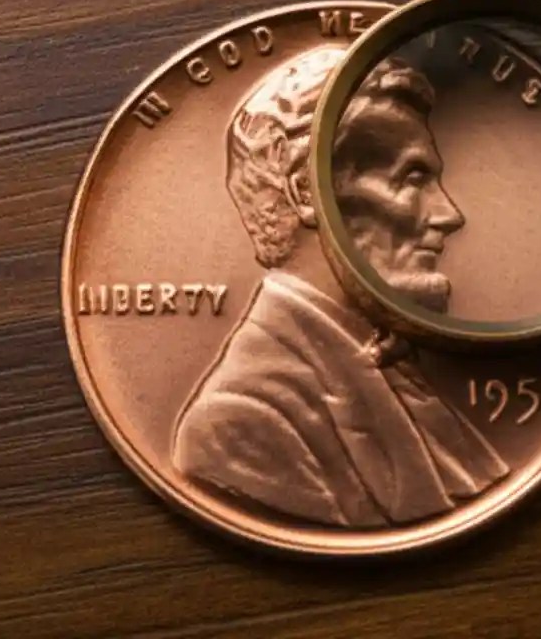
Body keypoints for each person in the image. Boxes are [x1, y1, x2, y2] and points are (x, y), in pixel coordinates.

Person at [171, 47, 509, 528]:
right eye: (413, 178)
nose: (449, 215)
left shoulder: (388, 363)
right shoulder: (241, 422)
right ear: (307, 194)